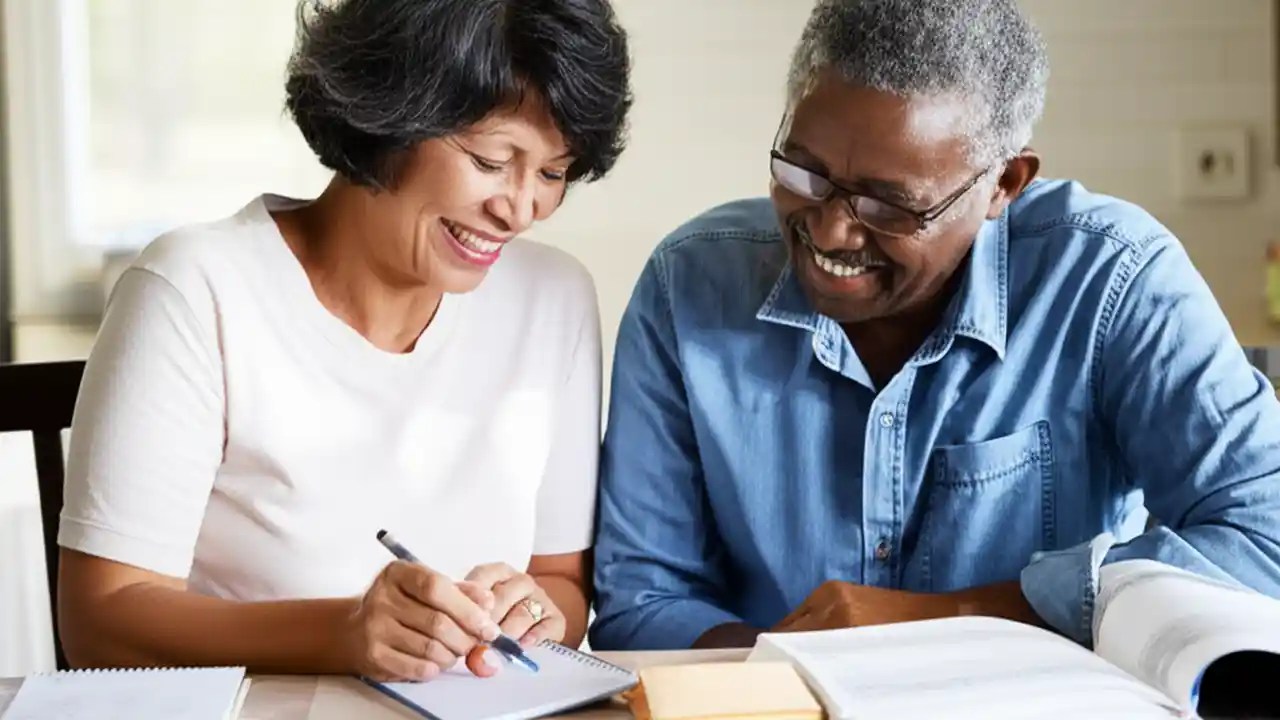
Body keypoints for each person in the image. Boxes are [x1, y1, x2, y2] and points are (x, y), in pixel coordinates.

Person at [589, 0, 1280, 652]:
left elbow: (1263, 538)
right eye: (805, 173)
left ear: (1003, 185)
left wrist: (946, 620)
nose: (830, 229)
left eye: (891, 205)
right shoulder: (688, 286)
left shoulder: (1113, 281)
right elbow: (645, 597)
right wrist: (803, 682)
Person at [57, 0, 631, 681]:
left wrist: (533, 611)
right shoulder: (193, 290)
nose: (519, 208)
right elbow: (101, 621)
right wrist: (343, 633)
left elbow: (561, 578)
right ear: (388, 111)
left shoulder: (554, 298)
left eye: (553, 172)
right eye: (489, 159)